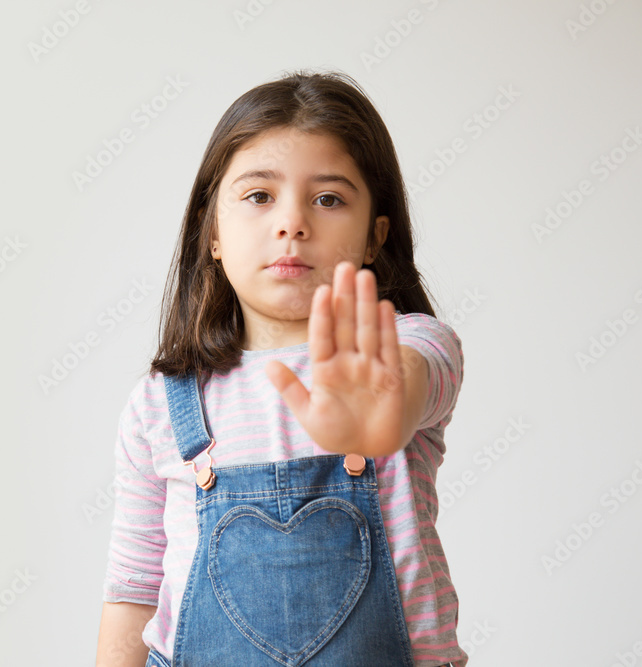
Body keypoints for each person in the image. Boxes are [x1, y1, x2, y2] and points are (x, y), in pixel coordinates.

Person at [96, 68, 467, 667]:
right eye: (258, 196)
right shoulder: (161, 402)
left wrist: (382, 411)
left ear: (375, 237)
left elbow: (411, 383)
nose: (292, 223)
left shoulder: (409, 346)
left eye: (328, 198)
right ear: (212, 232)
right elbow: (134, 590)